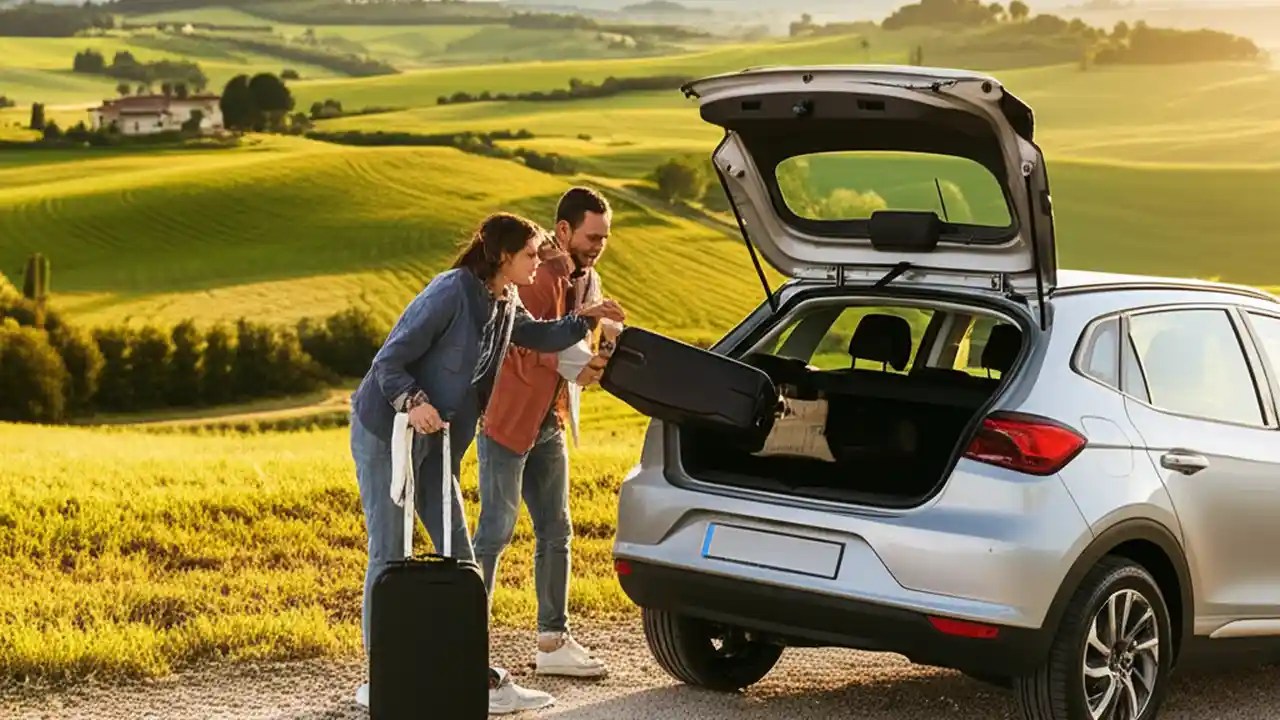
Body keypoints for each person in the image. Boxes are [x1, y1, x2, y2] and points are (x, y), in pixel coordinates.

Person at [347, 211, 626, 714]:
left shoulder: (506, 299)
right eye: (529, 256)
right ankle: (380, 676)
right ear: (501, 256)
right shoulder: (450, 292)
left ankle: (473, 674)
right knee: (388, 554)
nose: (537, 266)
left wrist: (586, 318)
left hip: (438, 444)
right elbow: (389, 361)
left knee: (462, 560)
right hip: (386, 433)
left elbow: (538, 337)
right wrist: (414, 402)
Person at [473, 187, 615, 679]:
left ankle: (553, 641)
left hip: (547, 421)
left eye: (604, 237)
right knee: (494, 532)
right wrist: (580, 363)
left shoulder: (585, 278)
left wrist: (599, 358)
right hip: (508, 422)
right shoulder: (539, 276)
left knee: (556, 530)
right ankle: (465, 639)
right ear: (564, 230)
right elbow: (527, 345)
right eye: (591, 235)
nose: (598, 245)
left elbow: (573, 346)